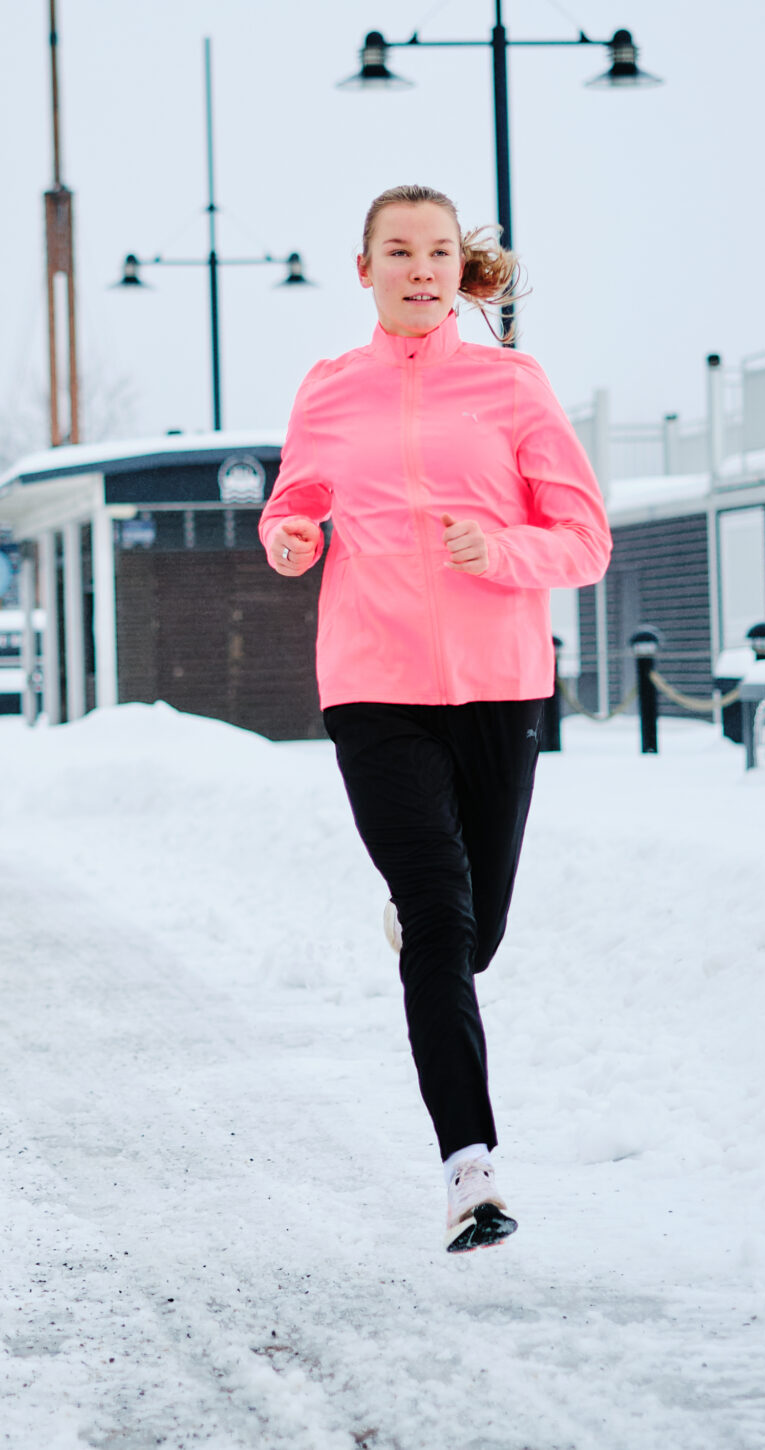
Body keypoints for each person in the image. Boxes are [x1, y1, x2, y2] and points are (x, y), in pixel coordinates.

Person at [258, 184, 609, 1253]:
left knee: (471, 933)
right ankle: (471, 1170)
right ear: (362, 268)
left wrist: (498, 550)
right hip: (371, 685)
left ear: (462, 270)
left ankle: (429, 927)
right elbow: (294, 500)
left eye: (438, 251)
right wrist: (290, 537)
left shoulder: (511, 385)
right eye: (398, 250)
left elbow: (584, 540)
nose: (419, 268)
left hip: (501, 686)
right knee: (442, 918)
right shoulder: (328, 389)